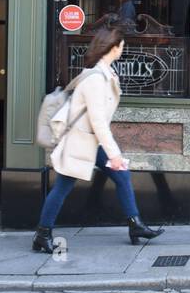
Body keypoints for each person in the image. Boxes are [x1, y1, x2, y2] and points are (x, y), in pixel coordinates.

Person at [33, 24, 164, 252]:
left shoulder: (105, 73)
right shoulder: (95, 79)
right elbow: (98, 121)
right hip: (80, 142)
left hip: (91, 141)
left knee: (122, 176)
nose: (122, 50)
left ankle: (135, 225)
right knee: (63, 187)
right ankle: (42, 235)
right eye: (121, 46)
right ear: (113, 48)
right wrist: (114, 154)